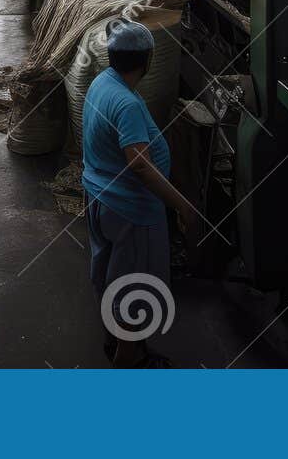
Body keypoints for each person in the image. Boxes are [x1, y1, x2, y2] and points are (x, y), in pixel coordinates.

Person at [82, 20, 199, 367]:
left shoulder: (102, 83)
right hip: (130, 209)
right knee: (136, 288)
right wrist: (182, 205)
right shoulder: (128, 104)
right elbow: (141, 166)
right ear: (147, 61)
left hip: (100, 197)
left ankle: (113, 343)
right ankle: (128, 362)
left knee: (110, 277)